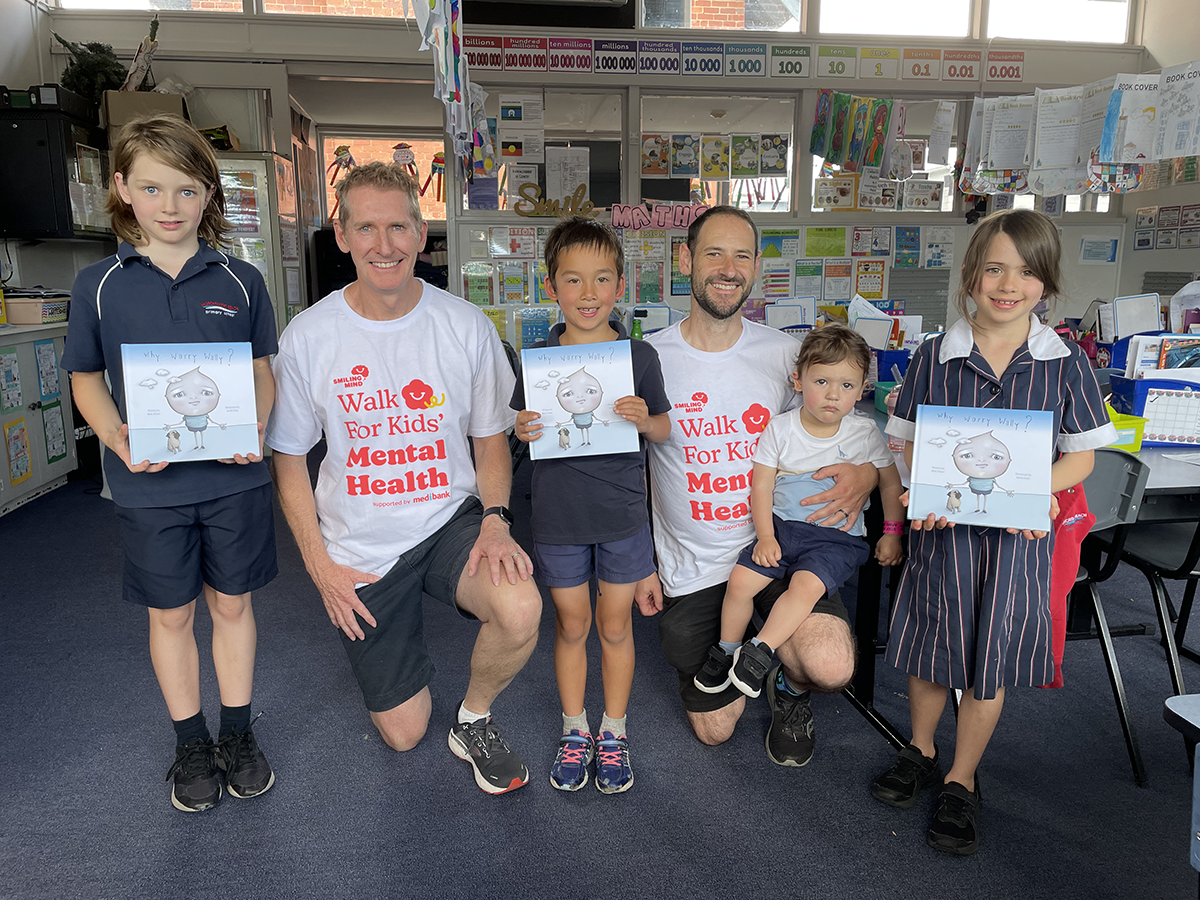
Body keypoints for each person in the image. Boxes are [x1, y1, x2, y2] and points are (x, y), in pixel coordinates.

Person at [266, 162, 541, 795]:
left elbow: (490, 441)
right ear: (342, 235)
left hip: (448, 520)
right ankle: (404, 666)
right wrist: (321, 568)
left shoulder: (466, 325)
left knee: (521, 605)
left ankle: (473, 719)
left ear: (421, 233)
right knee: (403, 731)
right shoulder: (309, 337)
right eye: (366, 227)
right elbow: (288, 460)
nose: (383, 245)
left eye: (398, 227)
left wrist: (497, 522)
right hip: (359, 548)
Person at [872, 208, 1117, 855]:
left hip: (1017, 548)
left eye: (1028, 272)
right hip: (944, 535)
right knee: (931, 646)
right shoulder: (934, 355)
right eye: (996, 268)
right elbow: (904, 442)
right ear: (972, 275)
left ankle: (961, 777)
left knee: (988, 662)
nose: (1010, 284)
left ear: (1047, 282)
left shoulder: (1064, 362)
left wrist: (1039, 492)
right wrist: (920, 488)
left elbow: (1084, 455)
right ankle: (921, 749)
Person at [62, 113, 279, 813]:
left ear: (209, 195)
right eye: (153, 190)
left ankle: (238, 733)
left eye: (187, 191)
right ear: (122, 188)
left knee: (234, 603)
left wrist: (257, 426)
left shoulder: (242, 280)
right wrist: (118, 439)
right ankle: (191, 740)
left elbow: (260, 372)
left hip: (234, 477)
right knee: (172, 614)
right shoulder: (98, 284)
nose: (170, 207)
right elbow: (86, 378)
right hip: (148, 486)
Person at [637, 205, 879, 766]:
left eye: (741, 255)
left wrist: (867, 474)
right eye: (713, 253)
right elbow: (625, 469)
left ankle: (790, 689)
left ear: (754, 266)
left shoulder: (783, 356)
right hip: (693, 566)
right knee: (715, 731)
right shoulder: (650, 355)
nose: (728, 268)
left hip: (784, 546)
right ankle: (740, 650)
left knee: (829, 665)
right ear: (685, 259)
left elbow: (835, 426)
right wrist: (637, 563)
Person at [510, 217, 671, 794]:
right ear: (551, 286)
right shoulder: (538, 359)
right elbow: (524, 430)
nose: (587, 293)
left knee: (614, 624)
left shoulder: (640, 357)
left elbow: (663, 430)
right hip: (558, 520)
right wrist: (524, 429)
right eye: (573, 281)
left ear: (620, 286)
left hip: (622, 516)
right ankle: (574, 728)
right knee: (572, 624)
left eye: (601, 279)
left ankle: (615, 730)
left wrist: (643, 418)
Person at [693, 324, 904, 698]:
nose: (833, 395)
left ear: (862, 389)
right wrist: (766, 536)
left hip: (835, 540)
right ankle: (726, 651)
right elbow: (762, 486)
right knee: (740, 582)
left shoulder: (865, 433)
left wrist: (891, 532)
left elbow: (889, 483)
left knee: (805, 587)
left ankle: (760, 650)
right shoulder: (780, 429)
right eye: (821, 381)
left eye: (847, 386)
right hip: (783, 529)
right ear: (798, 380)